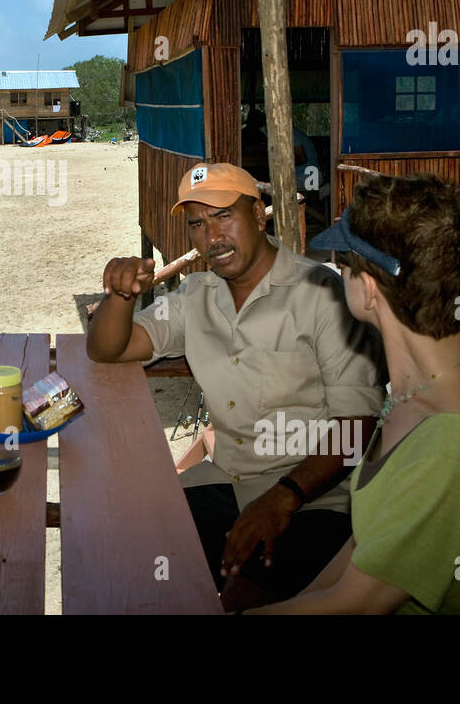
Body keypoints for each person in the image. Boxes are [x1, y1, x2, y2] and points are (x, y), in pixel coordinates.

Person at [87, 162, 384, 611]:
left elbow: (357, 426)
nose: (212, 237)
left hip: (314, 497)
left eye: (223, 215)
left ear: (258, 213)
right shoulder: (196, 297)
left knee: (244, 601)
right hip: (226, 479)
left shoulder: (321, 293)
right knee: (129, 558)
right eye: (197, 224)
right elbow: (110, 347)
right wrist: (121, 295)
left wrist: (284, 497)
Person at [250, 172, 460, 614]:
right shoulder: (432, 386)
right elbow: (370, 544)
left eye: (342, 264)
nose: (338, 270)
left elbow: (353, 607)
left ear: (368, 289)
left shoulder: (446, 451)